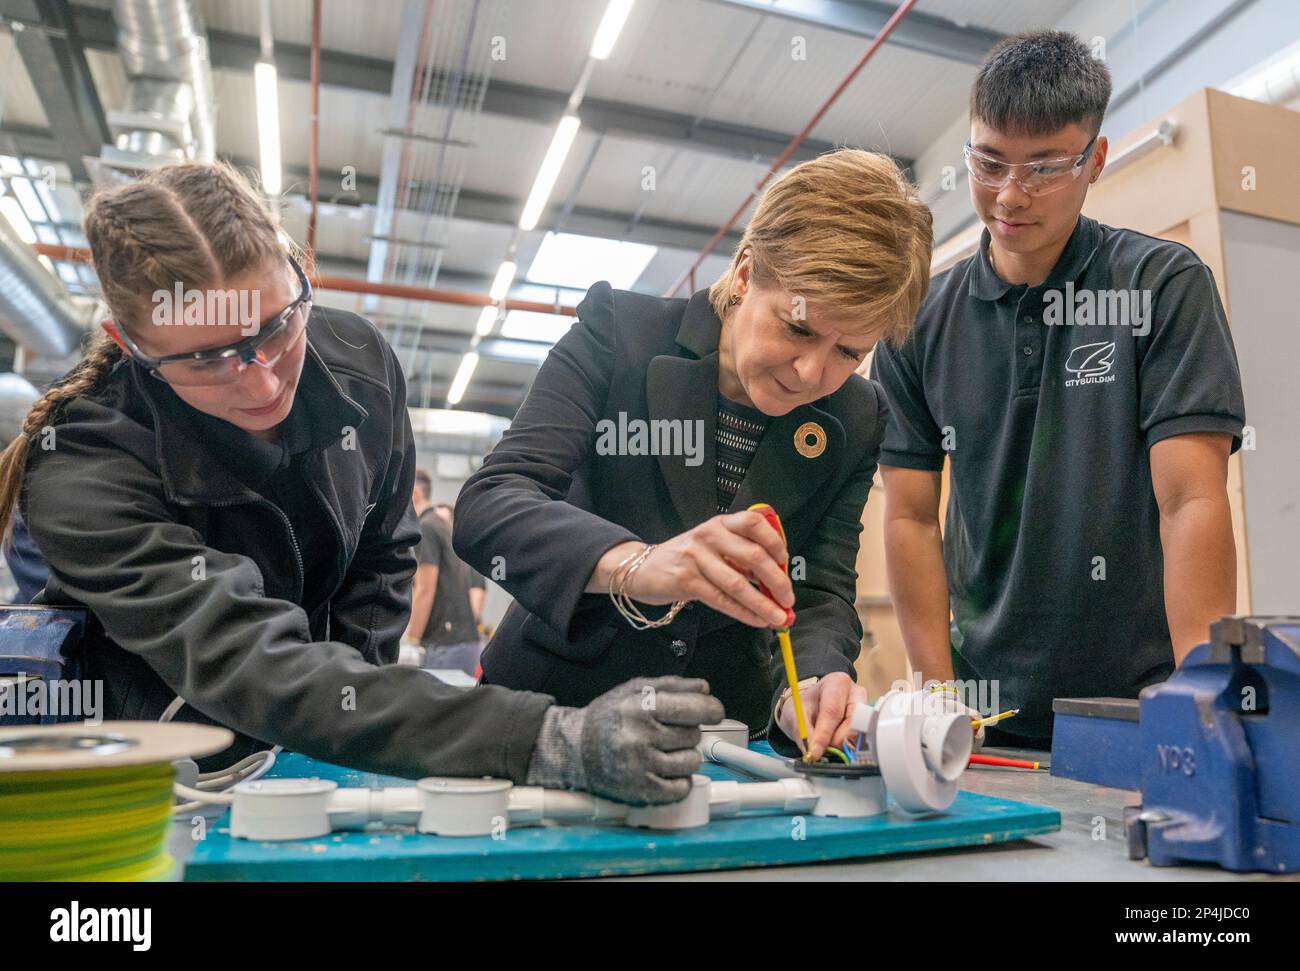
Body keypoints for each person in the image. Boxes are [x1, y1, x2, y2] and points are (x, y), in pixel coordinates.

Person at [0, 160, 723, 805]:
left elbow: (381, 554)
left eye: (277, 326)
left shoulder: (360, 364)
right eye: (211, 360)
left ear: (297, 267)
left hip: (315, 741)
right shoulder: (82, 466)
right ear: (132, 346)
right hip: (158, 773)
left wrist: (360, 718)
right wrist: (541, 738)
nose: (262, 379)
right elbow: (244, 655)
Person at [454, 149, 933, 761]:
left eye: (849, 353)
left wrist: (810, 682)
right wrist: (639, 565)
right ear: (744, 272)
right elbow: (490, 506)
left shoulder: (857, 417)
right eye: (799, 328)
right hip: (550, 717)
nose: (812, 372)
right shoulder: (619, 333)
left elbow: (819, 588)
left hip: (721, 740)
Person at [870, 31, 1245, 748]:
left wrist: (1200, 695)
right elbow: (911, 518)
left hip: (1141, 705)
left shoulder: (1161, 286)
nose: (1011, 194)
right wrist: (939, 692)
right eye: (989, 162)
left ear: (1094, 161)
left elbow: (1190, 498)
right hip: (985, 715)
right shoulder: (918, 322)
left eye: (1044, 167)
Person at [404, 469, 484, 674]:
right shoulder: (442, 525)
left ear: (414, 493)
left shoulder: (426, 527)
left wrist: (411, 641)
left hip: (445, 646)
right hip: (463, 643)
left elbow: (425, 588)